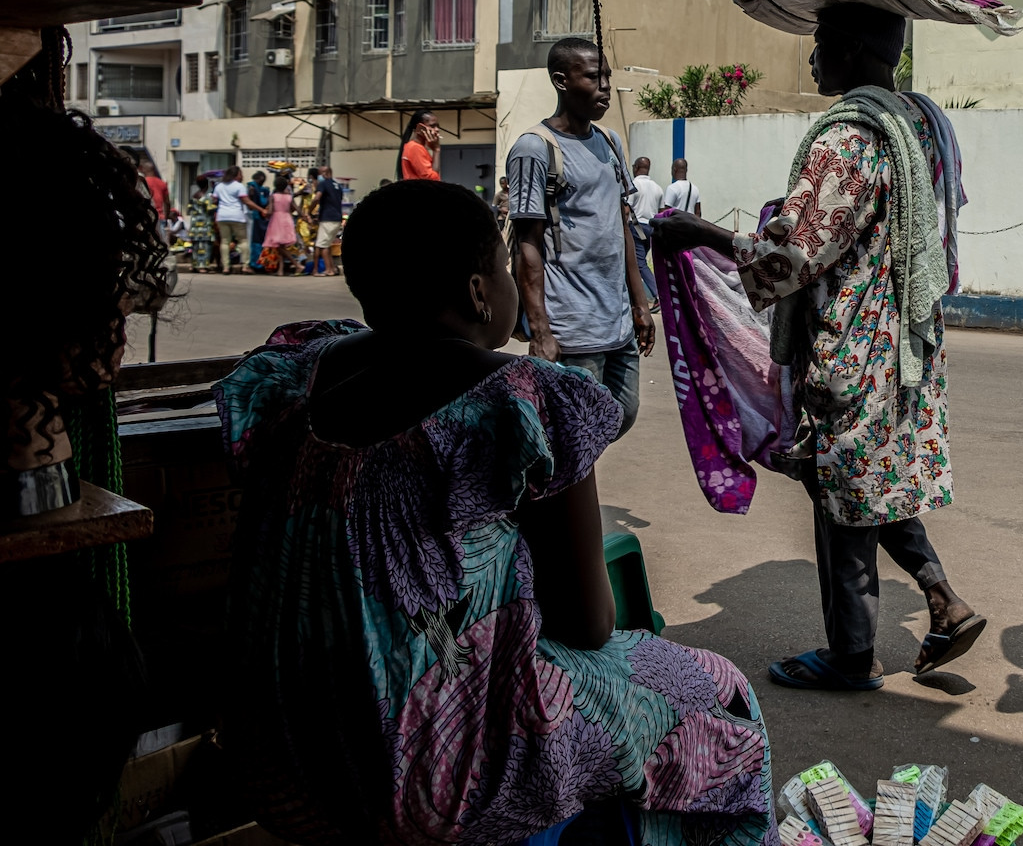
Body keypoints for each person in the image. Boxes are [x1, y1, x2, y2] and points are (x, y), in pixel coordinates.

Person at [213, 180, 775, 845]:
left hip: (277, 750)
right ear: (480, 291)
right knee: (719, 694)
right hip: (433, 778)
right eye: (508, 269)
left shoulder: (292, 375)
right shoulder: (524, 399)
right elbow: (587, 624)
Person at [654, 3, 984, 693]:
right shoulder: (920, 121)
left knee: (839, 495)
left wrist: (701, 233)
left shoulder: (849, 137)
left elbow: (793, 256)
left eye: (823, 42)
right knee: (866, 479)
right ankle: (940, 596)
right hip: (903, 339)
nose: (811, 58)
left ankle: (851, 654)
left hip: (852, 347)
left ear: (858, 48)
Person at [507, 38, 657, 434]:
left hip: (617, 320)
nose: (605, 86)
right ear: (561, 81)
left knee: (621, 413)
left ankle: (557, 492)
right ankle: (554, 495)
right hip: (571, 326)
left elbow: (622, 225)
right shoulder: (535, 149)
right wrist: (540, 330)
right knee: (574, 430)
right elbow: (527, 245)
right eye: (593, 76)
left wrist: (640, 304)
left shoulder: (610, 142)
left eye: (606, 76)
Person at [628, 156, 662, 309]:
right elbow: (662, 211)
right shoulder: (657, 187)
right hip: (651, 227)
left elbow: (626, 207)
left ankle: (657, 293)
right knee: (640, 262)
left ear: (636, 168)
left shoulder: (634, 184)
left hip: (636, 227)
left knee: (638, 263)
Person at [258, 173, 300, 275]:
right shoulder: (289, 196)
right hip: (287, 219)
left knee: (279, 246)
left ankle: (297, 265)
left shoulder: (273, 196)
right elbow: (296, 208)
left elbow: (270, 210)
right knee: (280, 246)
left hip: (277, 220)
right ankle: (280, 270)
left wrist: (264, 212)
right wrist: (304, 216)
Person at [213, 166, 251, 274]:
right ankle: (245, 266)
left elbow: (214, 200)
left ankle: (226, 267)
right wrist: (260, 209)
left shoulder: (219, 186)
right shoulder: (239, 186)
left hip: (222, 216)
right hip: (237, 216)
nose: (242, 176)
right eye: (240, 174)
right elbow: (246, 201)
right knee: (243, 241)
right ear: (236, 175)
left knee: (225, 241)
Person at [313, 165, 345, 277]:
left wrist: (310, 210)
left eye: (320, 173)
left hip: (327, 218)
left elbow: (317, 198)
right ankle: (332, 268)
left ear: (325, 173)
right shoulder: (338, 186)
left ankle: (328, 270)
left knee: (323, 246)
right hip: (337, 218)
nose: (319, 176)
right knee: (327, 244)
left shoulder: (323, 184)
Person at [398, 111, 441, 180]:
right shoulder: (415, 148)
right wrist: (436, 150)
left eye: (437, 126)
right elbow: (432, 180)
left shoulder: (414, 146)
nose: (437, 129)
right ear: (419, 128)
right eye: (432, 126)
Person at [243, 169, 270, 273]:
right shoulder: (252, 187)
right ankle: (256, 263)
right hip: (254, 218)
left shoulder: (261, 189)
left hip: (259, 218)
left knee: (258, 242)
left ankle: (258, 262)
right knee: (255, 242)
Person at [186, 181, 217, 272]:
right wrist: (215, 203)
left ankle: (194, 265)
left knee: (195, 247)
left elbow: (189, 209)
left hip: (195, 225)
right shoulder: (206, 198)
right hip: (205, 225)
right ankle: (202, 266)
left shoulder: (193, 197)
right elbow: (210, 209)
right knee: (205, 247)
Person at [137, 157, 169, 238]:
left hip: (148, 216)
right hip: (160, 217)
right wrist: (166, 217)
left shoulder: (143, 182)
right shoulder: (162, 183)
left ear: (142, 169)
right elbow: (167, 202)